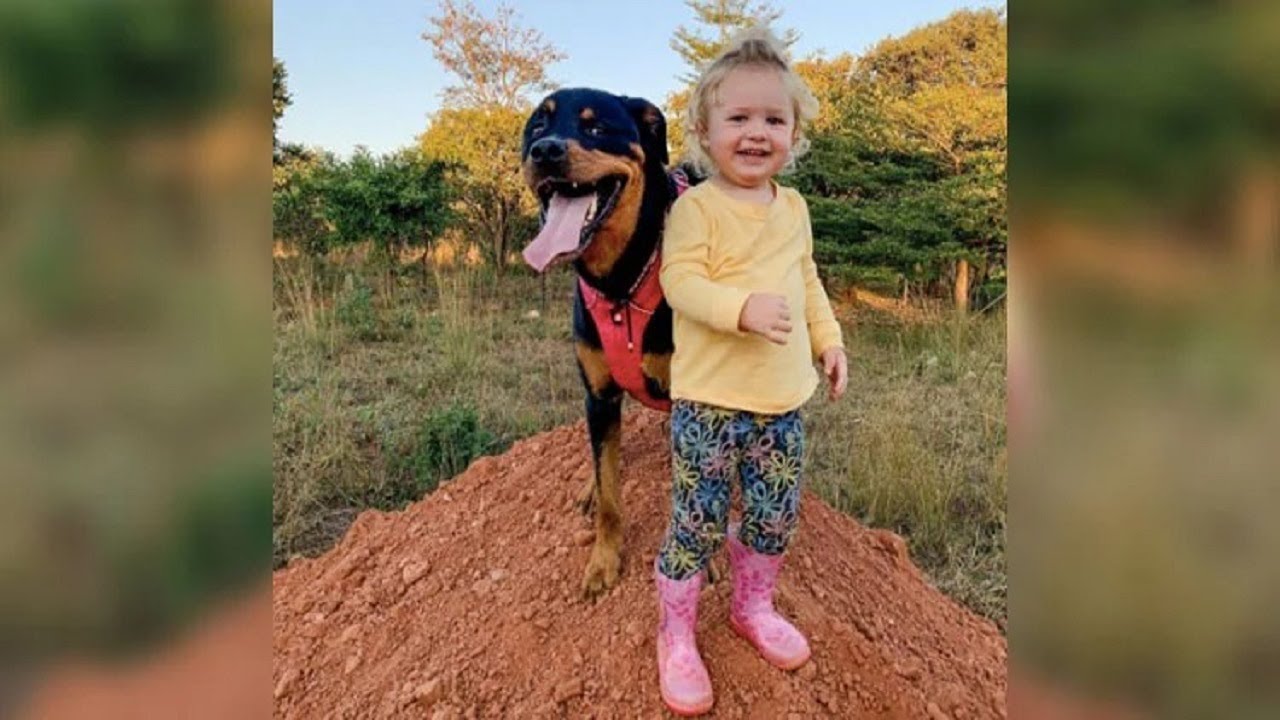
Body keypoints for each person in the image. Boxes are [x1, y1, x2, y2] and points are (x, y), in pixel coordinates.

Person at [653, 26, 848, 716]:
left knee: (773, 515)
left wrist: (828, 340)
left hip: (781, 403)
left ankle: (751, 607)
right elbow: (680, 282)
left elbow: (808, 280)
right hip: (709, 403)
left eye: (774, 118)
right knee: (697, 522)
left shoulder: (794, 208)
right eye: (738, 118)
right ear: (705, 132)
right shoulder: (695, 208)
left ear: (795, 132)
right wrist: (739, 309)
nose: (757, 132)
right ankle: (677, 634)